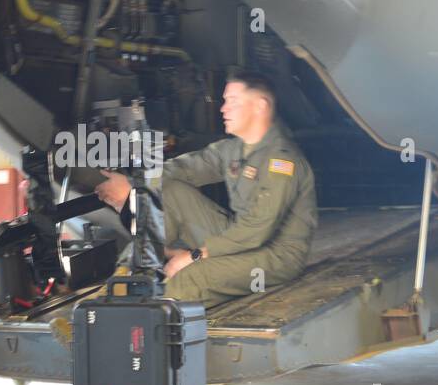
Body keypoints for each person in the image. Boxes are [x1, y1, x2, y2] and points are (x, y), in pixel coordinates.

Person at [96, 71, 317, 308]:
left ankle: (131, 319)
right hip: (239, 237)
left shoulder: (281, 161)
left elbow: (256, 230)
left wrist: (193, 257)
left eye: (232, 101)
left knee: (190, 277)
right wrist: (133, 184)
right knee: (172, 191)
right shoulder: (232, 150)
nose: (223, 109)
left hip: (275, 254)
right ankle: (130, 272)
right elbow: (185, 168)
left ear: (260, 106)